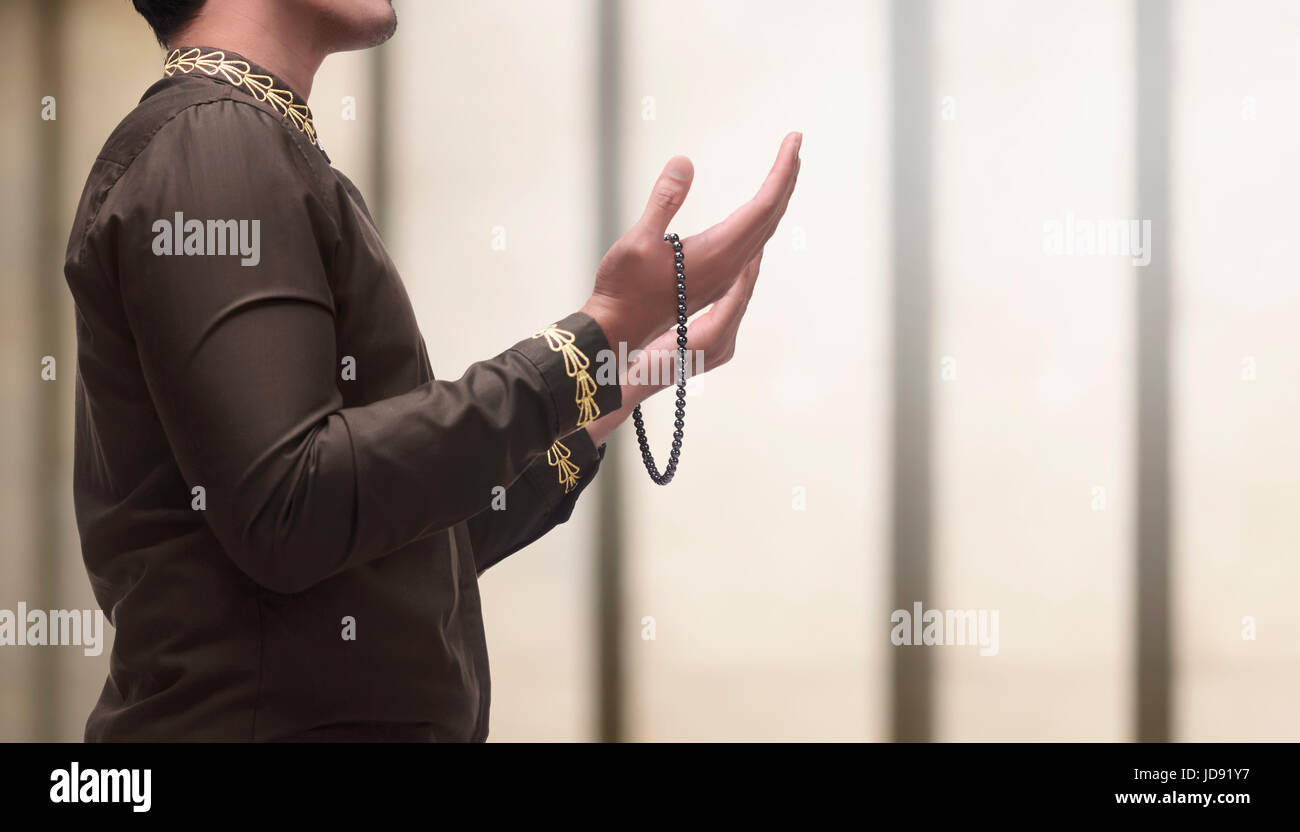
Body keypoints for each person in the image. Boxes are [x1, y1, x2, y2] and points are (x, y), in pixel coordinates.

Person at [64, 0, 801, 740]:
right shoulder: (215, 145)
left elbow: (399, 544)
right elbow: (291, 506)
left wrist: (625, 370)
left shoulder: (240, 143)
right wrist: (596, 338)